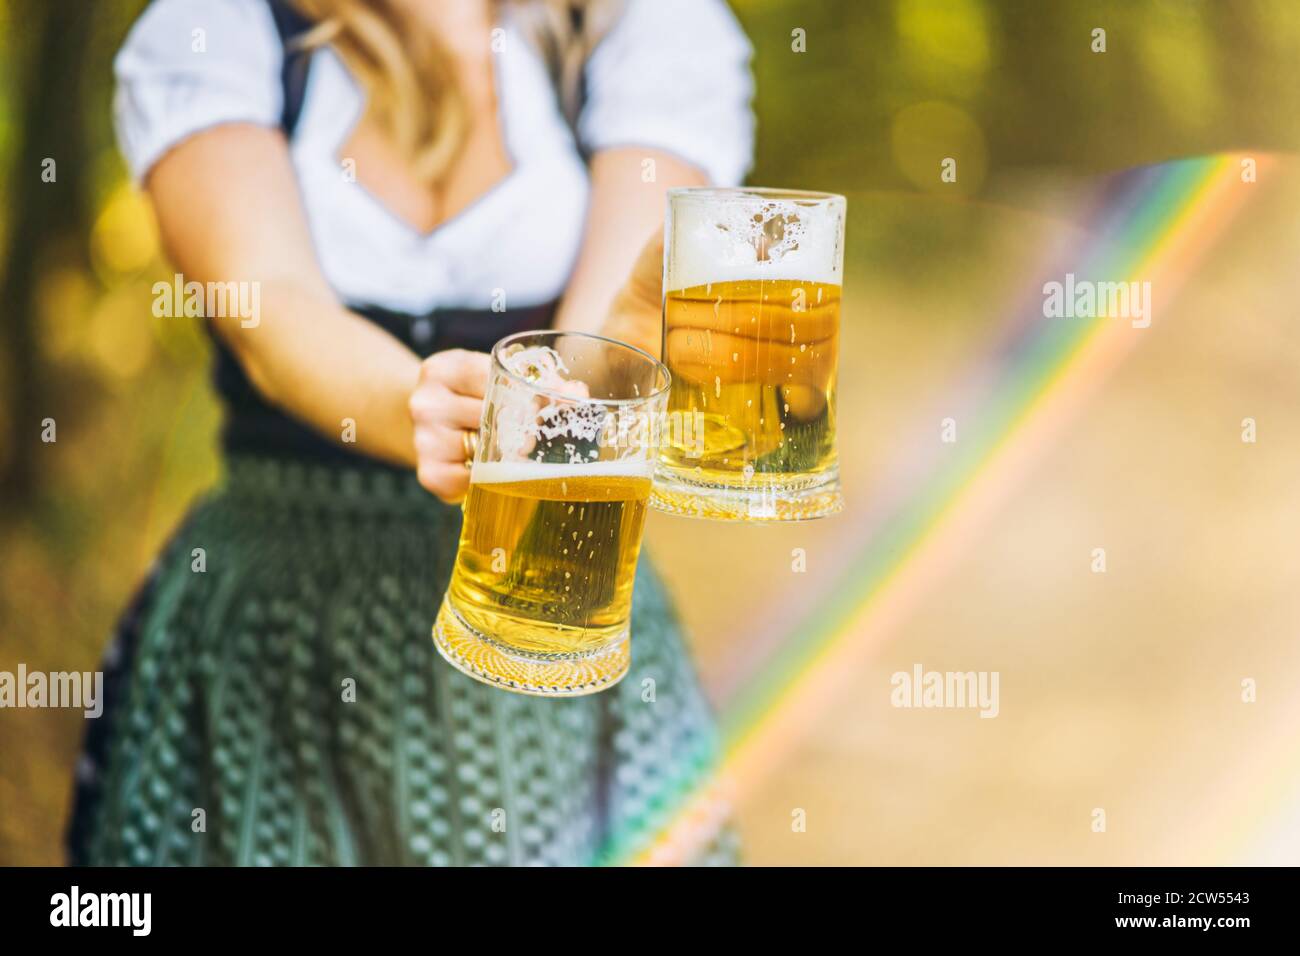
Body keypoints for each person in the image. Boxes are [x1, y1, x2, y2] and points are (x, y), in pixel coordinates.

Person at [67, 0, 753, 866]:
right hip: (277, 631)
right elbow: (268, 310)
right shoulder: (221, 28)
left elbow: (606, 335)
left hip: (550, 611)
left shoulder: (638, 28)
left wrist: (565, 402)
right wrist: (414, 404)